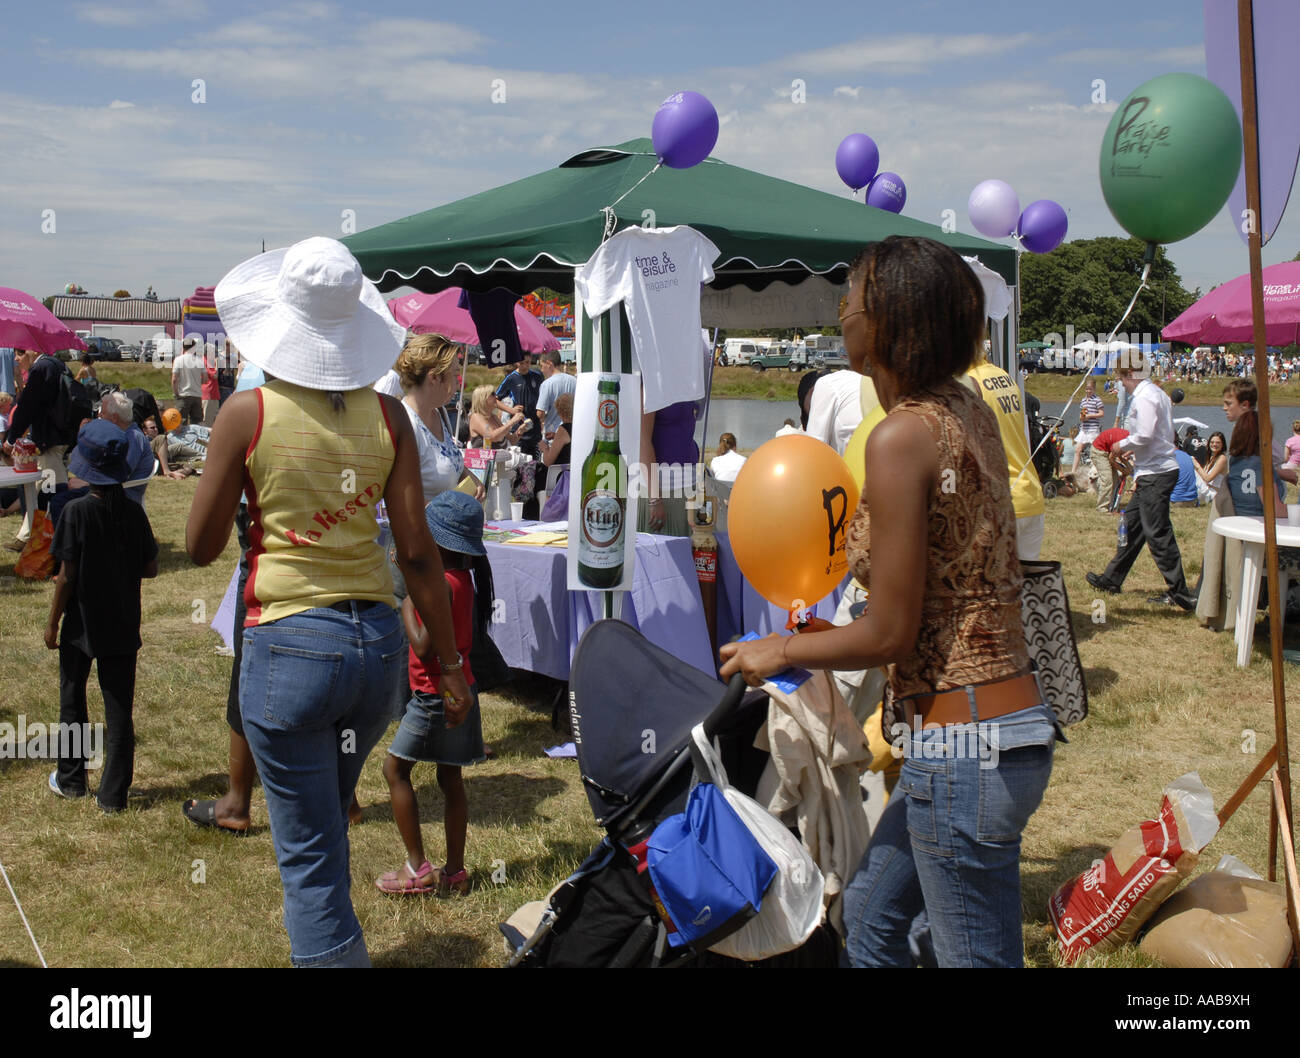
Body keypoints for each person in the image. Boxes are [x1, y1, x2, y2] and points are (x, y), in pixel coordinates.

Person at [721, 236, 1056, 968]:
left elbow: (890, 632)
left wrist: (779, 649)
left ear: (890, 319)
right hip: (1001, 728)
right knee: (871, 920)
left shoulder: (903, 435)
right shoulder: (962, 407)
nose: (841, 310)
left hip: (964, 744)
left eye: (853, 296)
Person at [186, 236, 470, 968]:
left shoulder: (246, 414)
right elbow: (415, 552)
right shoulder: (389, 418)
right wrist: (448, 661)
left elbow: (198, 545)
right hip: (373, 652)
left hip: (288, 647)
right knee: (321, 823)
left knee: (308, 856)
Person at [376, 492, 489, 895]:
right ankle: (455, 872)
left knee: (395, 770)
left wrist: (408, 598)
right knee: (450, 777)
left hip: (431, 695)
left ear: (438, 543)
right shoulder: (464, 580)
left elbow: (422, 645)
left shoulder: (438, 585)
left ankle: (416, 867)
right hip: (461, 691)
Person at [45, 420, 159, 812]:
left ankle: (72, 779)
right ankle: (113, 796)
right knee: (119, 711)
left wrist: (52, 623)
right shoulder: (133, 513)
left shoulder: (75, 513)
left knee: (72, 699)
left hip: (81, 624)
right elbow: (151, 568)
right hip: (124, 624)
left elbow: (65, 576)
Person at [1086, 365, 1195, 611]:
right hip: (1153, 470)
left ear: (1130, 375)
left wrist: (1121, 444)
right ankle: (1112, 579)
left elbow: (1144, 434)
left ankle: (1180, 592)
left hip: (1156, 472)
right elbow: (1156, 434)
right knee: (1132, 528)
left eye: (1120, 379)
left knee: (1157, 533)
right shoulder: (1156, 393)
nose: (1120, 384)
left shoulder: (1145, 396)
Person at [964, 349, 1045, 560]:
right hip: (1029, 494)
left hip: (1000, 500)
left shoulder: (971, 382)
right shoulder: (1003, 375)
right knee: (1026, 587)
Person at [395, 334, 483, 502]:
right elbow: (401, 502)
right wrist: (452, 506)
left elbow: (446, 461)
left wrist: (469, 478)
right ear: (435, 377)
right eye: (455, 374)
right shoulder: (407, 425)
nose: (458, 384)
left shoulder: (439, 413)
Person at [2, 348, 72, 547]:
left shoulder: (41, 368)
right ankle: (26, 536)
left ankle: (49, 541)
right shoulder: (57, 365)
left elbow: (26, 407)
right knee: (36, 490)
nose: (16, 358)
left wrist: (11, 438)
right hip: (57, 439)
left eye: (20, 352)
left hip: (49, 442)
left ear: (33, 351)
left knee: (50, 493)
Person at [494, 353, 542, 456]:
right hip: (519, 431)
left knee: (536, 465)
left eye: (527, 363)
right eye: (521, 363)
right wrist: (510, 410)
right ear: (516, 362)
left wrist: (542, 416)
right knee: (519, 466)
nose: (524, 366)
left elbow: (544, 397)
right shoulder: (511, 378)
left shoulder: (537, 376)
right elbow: (494, 400)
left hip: (535, 429)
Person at [535, 351, 576, 441]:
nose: (541, 370)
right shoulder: (574, 380)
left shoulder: (547, 384)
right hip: (572, 433)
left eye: (542, 366)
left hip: (552, 435)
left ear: (549, 364)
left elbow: (540, 413)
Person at [1089, 426, 1130, 514]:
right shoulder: (1123, 441)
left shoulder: (1130, 441)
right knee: (1107, 479)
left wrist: (1128, 468)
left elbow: (1121, 456)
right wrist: (1123, 470)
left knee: (1115, 480)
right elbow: (1112, 459)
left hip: (1108, 452)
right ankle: (1102, 508)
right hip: (1099, 452)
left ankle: (1111, 506)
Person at [171, 337, 205, 427]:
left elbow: (174, 379)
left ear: (183, 347)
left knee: (180, 424)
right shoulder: (199, 360)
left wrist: (176, 393)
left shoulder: (178, 360)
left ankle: (181, 441)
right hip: (197, 395)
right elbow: (205, 379)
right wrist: (197, 383)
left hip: (183, 395)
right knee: (197, 424)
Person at [1074, 377, 1104, 478]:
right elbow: (1081, 413)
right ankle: (1073, 471)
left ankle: (1096, 471)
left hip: (1093, 429)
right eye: (1087, 389)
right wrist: (1082, 417)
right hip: (1084, 428)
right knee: (1078, 450)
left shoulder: (1097, 400)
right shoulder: (1083, 400)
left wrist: (1090, 416)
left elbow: (1101, 413)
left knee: (1094, 452)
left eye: (1090, 389)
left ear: (1094, 389)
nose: (1088, 391)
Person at [539, 391, 573, 471]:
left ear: (560, 412)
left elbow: (548, 462)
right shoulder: (578, 427)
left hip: (562, 476)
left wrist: (544, 448)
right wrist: (555, 436)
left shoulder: (563, 430)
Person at [1196, 431, 1228, 496]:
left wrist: (1197, 466)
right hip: (1207, 490)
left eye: (1218, 443)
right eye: (1212, 442)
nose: (1214, 445)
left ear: (1222, 444)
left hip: (1214, 493)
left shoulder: (1222, 458)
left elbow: (1208, 479)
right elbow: (1203, 477)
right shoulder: (1211, 458)